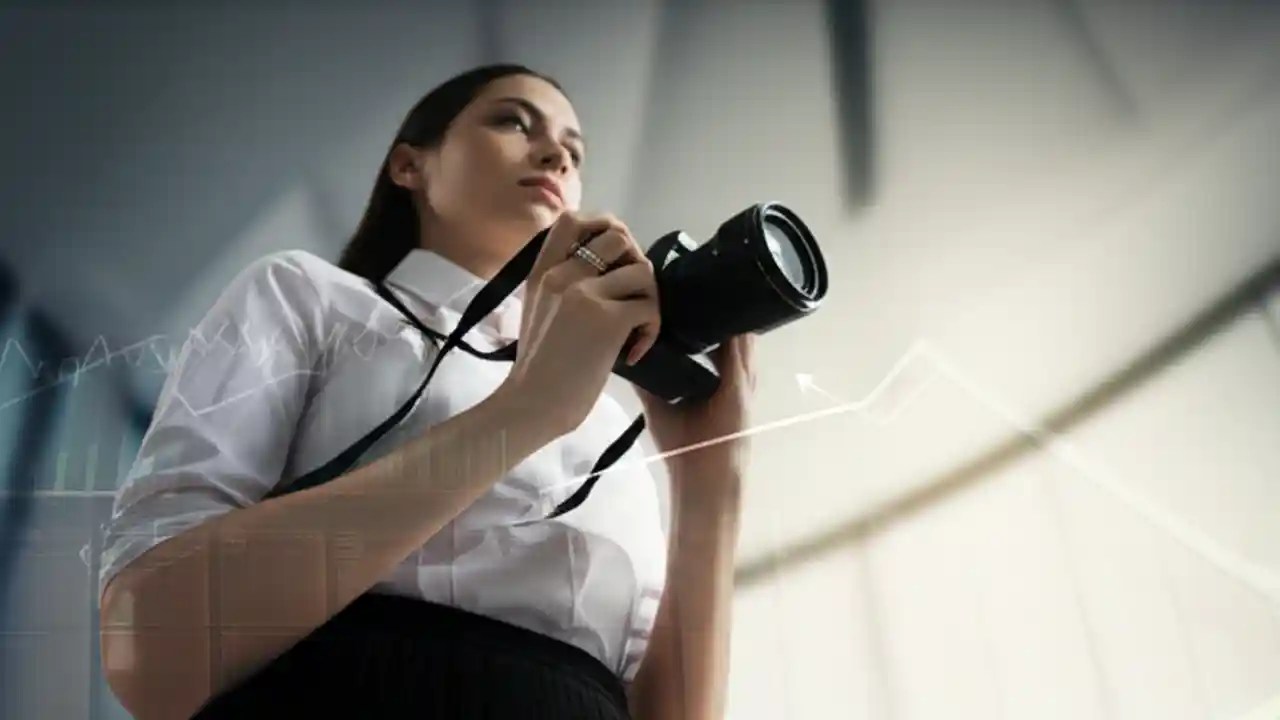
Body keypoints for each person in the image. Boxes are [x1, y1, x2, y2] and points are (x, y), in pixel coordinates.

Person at [97, 64, 756, 719]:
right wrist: (529, 410)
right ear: (409, 166)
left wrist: (709, 487)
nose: (556, 153)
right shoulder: (306, 298)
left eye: (575, 151)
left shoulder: (613, 426)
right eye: (511, 121)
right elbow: (152, 648)